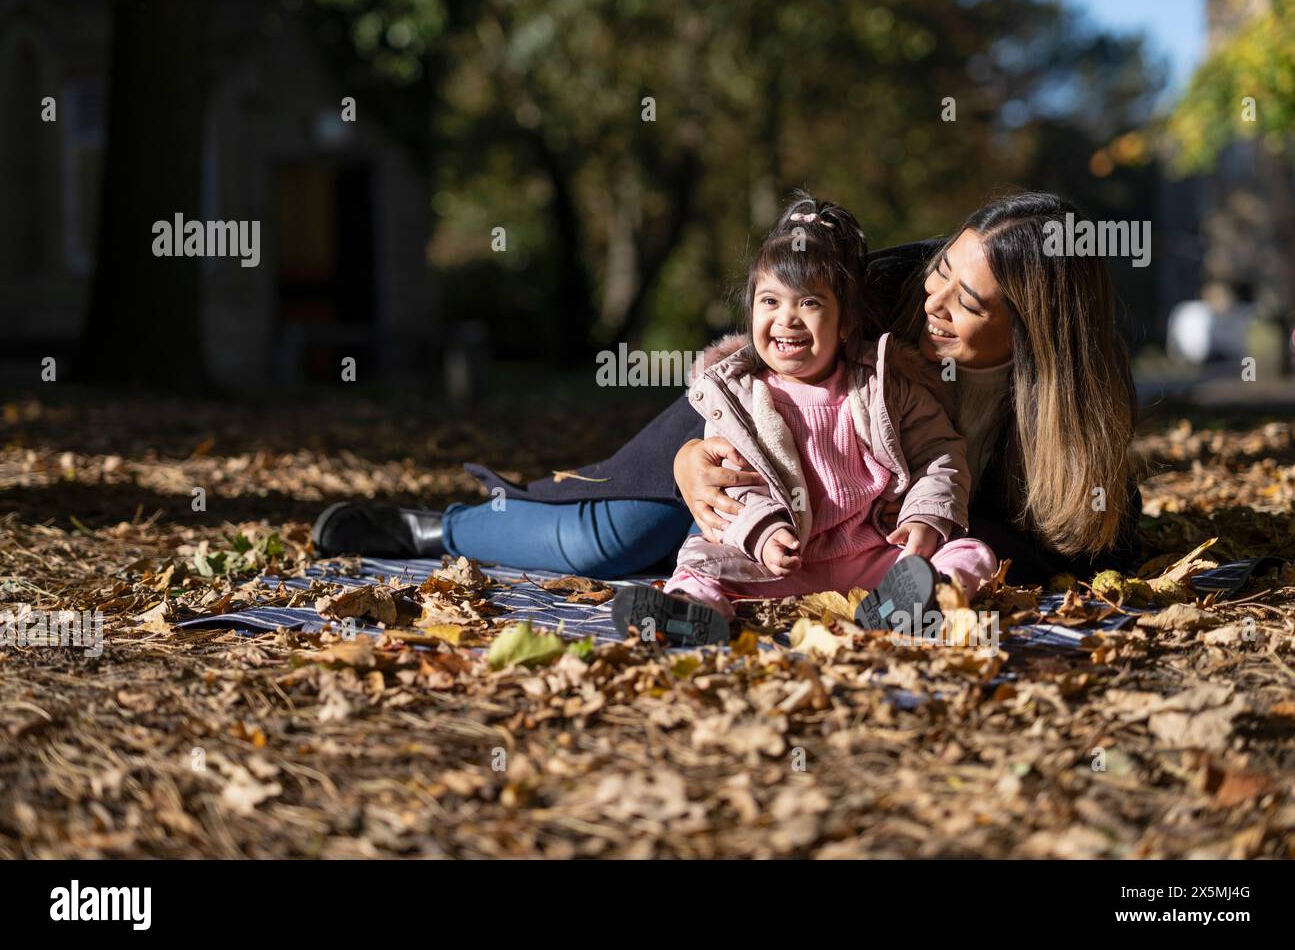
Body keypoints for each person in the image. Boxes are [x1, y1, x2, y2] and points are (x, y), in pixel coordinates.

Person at [312, 191, 1141, 584]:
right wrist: (684, 463)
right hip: (758, 429)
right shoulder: (885, 288)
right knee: (617, 541)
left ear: (1036, 333)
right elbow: (759, 348)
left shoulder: (1069, 417)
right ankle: (441, 529)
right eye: (942, 271)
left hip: (853, 522)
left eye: (965, 301)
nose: (931, 300)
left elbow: (1084, 537)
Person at [608, 194, 998, 645]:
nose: (785, 319)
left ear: (846, 321)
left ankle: (916, 602)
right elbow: (732, 486)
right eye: (770, 301)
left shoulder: (887, 385)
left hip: (871, 553)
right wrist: (763, 533)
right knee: (701, 561)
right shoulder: (739, 397)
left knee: (970, 552)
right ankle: (689, 613)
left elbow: (938, 455)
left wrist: (925, 517)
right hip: (777, 561)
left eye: (809, 303)